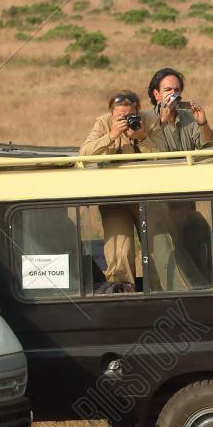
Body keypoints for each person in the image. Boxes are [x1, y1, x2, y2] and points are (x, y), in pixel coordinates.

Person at [79, 89, 147, 292]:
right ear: (111, 114)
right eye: (120, 117)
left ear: (138, 111)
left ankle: (162, 292)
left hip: (148, 194)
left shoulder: (149, 121)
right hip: (116, 197)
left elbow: (162, 154)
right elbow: (84, 153)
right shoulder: (103, 123)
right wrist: (111, 135)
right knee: (119, 252)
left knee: (157, 251)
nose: (126, 120)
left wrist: (142, 137)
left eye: (130, 115)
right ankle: (123, 294)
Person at [142, 67, 213, 153]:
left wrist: (203, 123)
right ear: (156, 94)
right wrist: (162, 121)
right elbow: (149, 150)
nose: (173, 94)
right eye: (168, 90)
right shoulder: (145, 119)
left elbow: (209, 146)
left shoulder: (188, 116)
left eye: (177, 90)